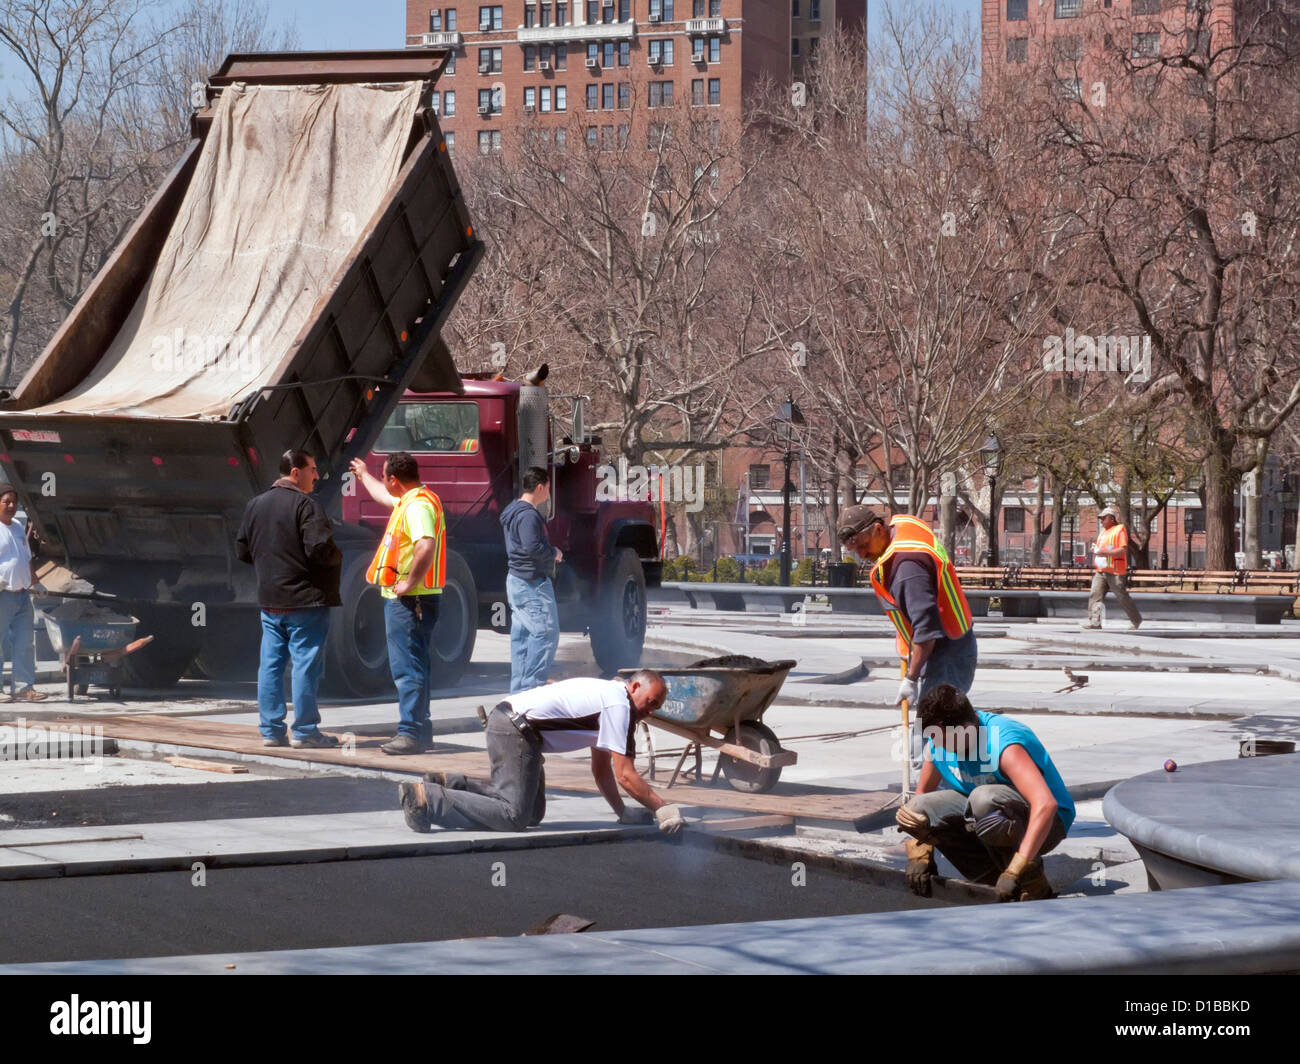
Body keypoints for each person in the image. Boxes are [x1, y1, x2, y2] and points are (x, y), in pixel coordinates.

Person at [397, 671, 686, 835]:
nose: (649, 711)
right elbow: (625, 775)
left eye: (656, 708)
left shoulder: (612, 699)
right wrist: (662, 809)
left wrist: (622, 812)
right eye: (650, 702)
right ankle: (428, 799)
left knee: (533, 813)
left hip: (518, 730)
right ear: (635, 686)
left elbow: (602, 770)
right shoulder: (618, 705)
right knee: (513, 816)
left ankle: (452, 785)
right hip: (515, 730)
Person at [894, 684, 1075, 902]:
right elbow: (922, 796)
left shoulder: (1002, 743)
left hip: (1049, 824)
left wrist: (1017, 867)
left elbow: (1046, 804)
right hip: (992, 815)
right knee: (916, 810)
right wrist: (920, 850)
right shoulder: (939, 740)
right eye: (932, 738)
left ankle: (1031, 884)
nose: (936, 745)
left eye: (941, 739)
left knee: (984, 800)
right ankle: (993, 884)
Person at [236, 451, 342, 748]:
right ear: (296, 472)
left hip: (270, 601)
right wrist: (337, 556)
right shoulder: (307, 506)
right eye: (313, 468)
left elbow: (242, 552)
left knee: (270, 666)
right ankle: (306, 732)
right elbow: (320, 549)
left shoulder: (255, 505)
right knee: (305, 666)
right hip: (305, 602)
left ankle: (271, 731)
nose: (317, 475)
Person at [349, 451, 446, 755]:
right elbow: (382, 495)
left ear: (394, 479)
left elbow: (425, 545)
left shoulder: (416, 507)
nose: (383, 481)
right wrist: (364, 474)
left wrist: (409, 582)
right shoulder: (414, 499)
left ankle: (411, 732)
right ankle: (420, 730)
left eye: (383, 475)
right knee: (417, 664)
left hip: (410, 599)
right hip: (417, 598)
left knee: (407, 668)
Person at [838, 505, 977, 707]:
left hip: (948, 653)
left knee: (932, 731)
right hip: (952, 643)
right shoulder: (904, 526)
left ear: (878, 529)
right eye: (855, 550)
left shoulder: (906, 568)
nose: (861, 554)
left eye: (863, 545)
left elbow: (927, 631)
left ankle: (982, 737)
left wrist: (910, 679)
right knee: (944, 728)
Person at [500, 467, 561, 693]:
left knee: (523, 637)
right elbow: (532, 547)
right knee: (546, 633)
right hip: (531, 582)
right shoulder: (527, 515)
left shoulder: (512, 510)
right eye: (547, 488)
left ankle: (519, 694)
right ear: (539, 487)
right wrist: (553, 552)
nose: (548, 493)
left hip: (516, 581)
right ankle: (531, 689)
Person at [0, 486, 48, 703]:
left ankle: (23, 687)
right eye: (6, 501)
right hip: (3, 595)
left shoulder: (18, 526)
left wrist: (36, 582)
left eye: (14, 502)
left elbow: (26, 557)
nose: (11, 506)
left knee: (25, 643)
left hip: (21, 595)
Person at [1084, 505, 1141, 630]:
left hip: (1115, 571)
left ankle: (1136, 620)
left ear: (1111, 518)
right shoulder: (1103, 532)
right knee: (1095, 594)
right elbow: (1101, 549)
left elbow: (1123, 549)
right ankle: (1095, 622)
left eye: (1103, 518)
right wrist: (1096, 550)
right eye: (1100, 518)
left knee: (1121, 596)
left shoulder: (1119, 530)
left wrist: (1103, 552)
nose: (1101, 520)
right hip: (1101, 570)